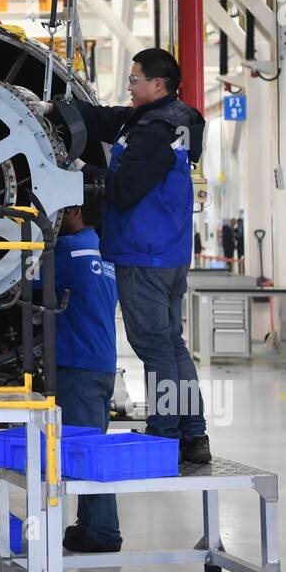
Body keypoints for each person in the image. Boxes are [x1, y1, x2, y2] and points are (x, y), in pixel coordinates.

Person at [42, 48, 210, 462]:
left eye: (135, 80)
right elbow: (109, 117)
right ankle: (193, 434)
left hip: (143, 255)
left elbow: (123, 189)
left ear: (158, 84)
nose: (129, 87)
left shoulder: (152, 132)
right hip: (168, 253)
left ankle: (165, 433)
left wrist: (75, 170)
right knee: (172, 344)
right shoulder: (174, 119)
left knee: (155, 347)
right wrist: (53, 108)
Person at [46, 195, 122, 554]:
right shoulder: (106, 255)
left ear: (75, 212)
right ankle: (88, 526)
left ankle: (105, 532)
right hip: (103, 364)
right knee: (89, 446)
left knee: (89, 452)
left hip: (78, 366)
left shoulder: (69, 250)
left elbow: (27, 284)